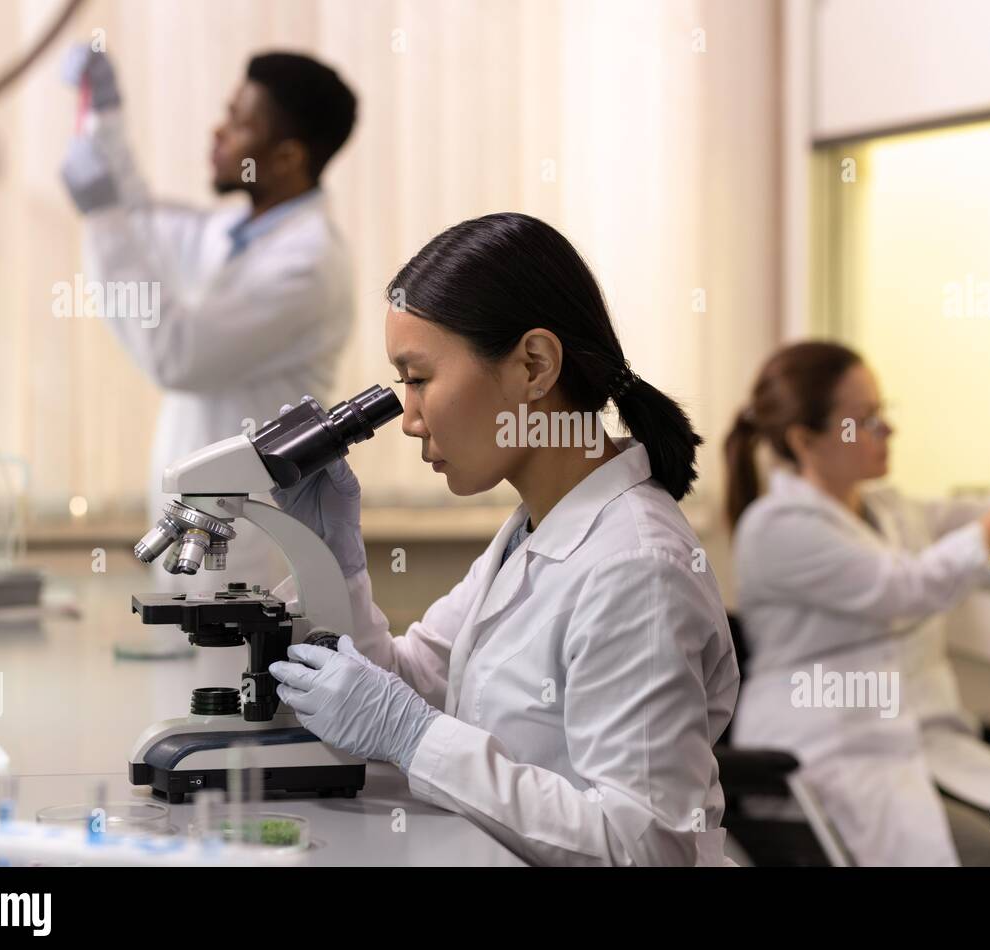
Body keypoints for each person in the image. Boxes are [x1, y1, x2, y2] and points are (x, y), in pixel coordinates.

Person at [267, 212, 739, 866]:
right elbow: (412, 682)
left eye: (419, 378)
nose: (407, 419)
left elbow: (648, 844)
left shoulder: (637, 567)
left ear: (535, 365)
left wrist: (414, 737)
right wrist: (333, 562)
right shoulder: (535, 528)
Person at [724, 340, 990, 866]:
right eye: (865, 418)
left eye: (883, 412)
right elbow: (906, 590)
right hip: (829, 757)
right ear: (805, 440)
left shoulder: (892, 509)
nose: (888, 430)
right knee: (989, 858)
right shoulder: (776, 528)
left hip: (923, 745)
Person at [60, 47, 356, 599]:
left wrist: (100, 215)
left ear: (289, 156)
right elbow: (141, 224)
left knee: (229, 679)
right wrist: (104, 115)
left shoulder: (307, 264)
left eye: (241, 123)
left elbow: (179, 356)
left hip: (244, 541)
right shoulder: (234, 231)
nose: (218, 133)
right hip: (195, 526)